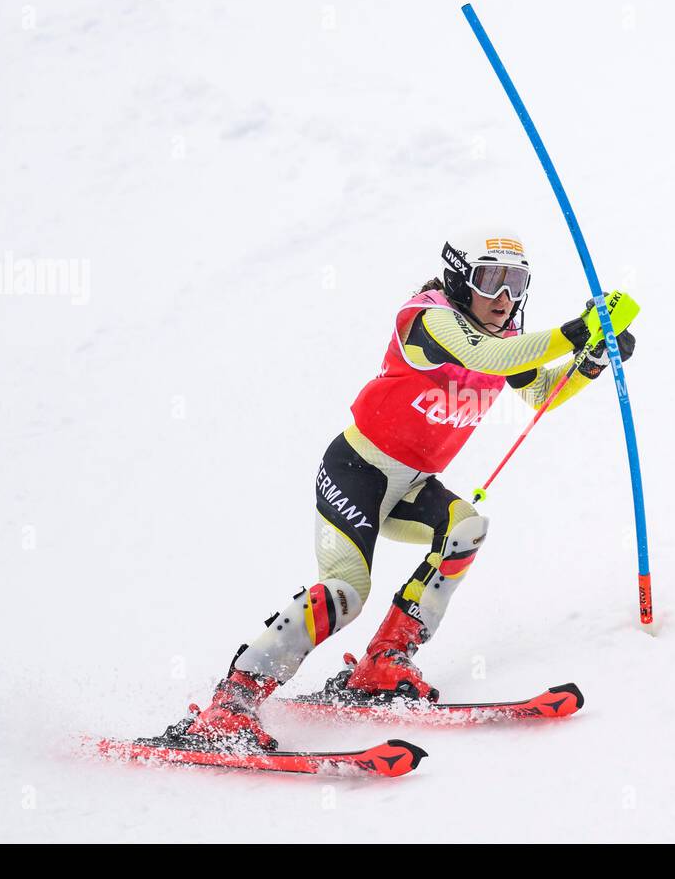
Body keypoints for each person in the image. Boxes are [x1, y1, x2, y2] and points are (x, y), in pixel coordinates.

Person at [160, 231, 639, 752]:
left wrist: (590, 361)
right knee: (345, 594)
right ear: (460, 278)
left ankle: (384, 662)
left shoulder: (505, 335)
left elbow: (543, 393)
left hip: (410, 484)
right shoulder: (428, 320)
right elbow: (490, 358)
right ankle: (232, 700)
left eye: (517, 283)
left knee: (467, 528)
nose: (506, 299)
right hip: (355, 472)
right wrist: (581, 329)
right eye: (492, 280)